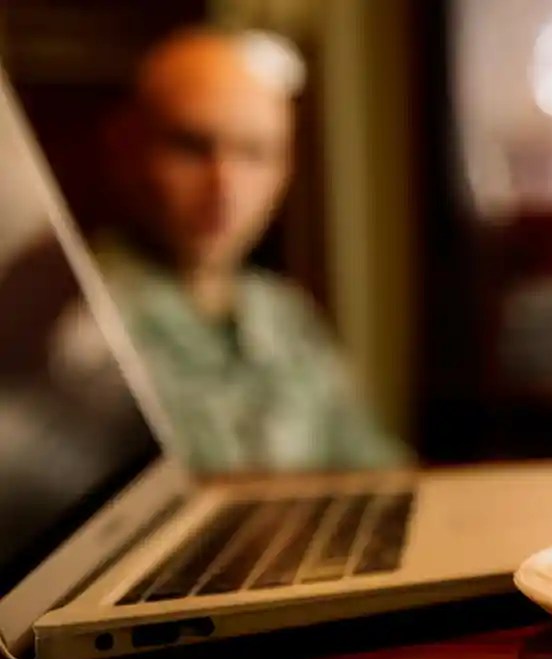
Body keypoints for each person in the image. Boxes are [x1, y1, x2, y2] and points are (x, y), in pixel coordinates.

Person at [95, 27, 410, 474]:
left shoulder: (283, 313)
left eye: (255, 152)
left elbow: (379, 470)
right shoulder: (79, 324)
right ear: (126, 147)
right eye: (191, 147)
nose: (224, 186)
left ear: (284, 170)